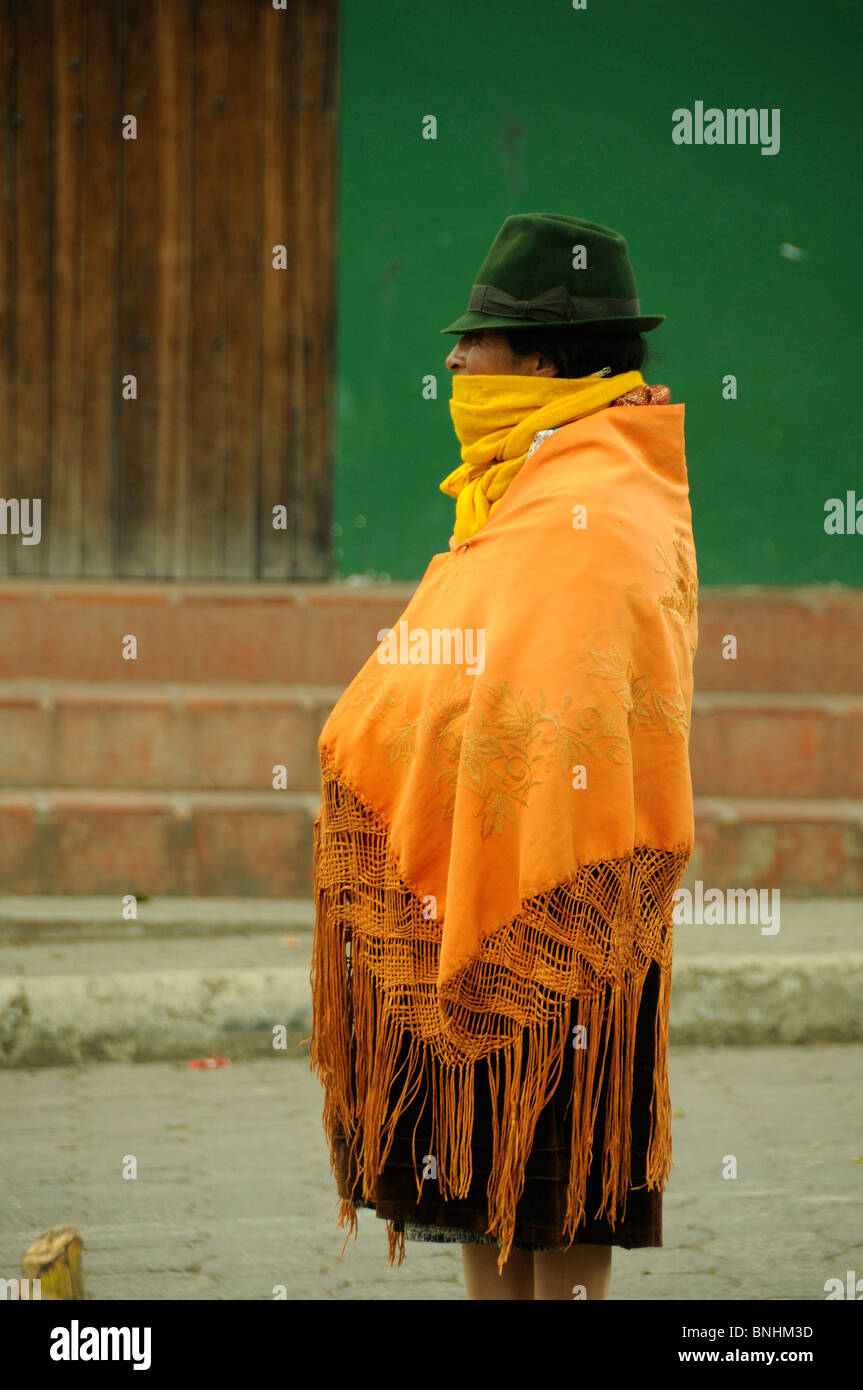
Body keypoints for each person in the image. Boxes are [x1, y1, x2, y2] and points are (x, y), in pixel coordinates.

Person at [308, 214, 699, 1300]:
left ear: (537, 361)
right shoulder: (525, 476)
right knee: (482, 1160)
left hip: (572, 891)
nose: (450, 361)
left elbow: (565, 686)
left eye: (472, 341)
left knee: (566, 1167)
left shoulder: (602, 493)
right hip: (483, 867)